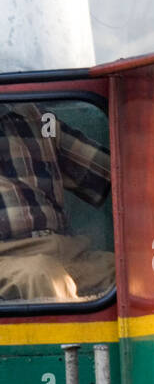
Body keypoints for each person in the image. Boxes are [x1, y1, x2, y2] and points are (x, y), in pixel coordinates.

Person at [0, 102, 114, 302]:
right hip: (8, 257)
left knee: (138, 269)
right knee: (43, 275)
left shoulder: (36, 119)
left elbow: (112, 172)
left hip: (66, 250)